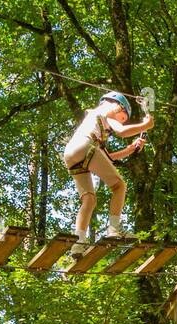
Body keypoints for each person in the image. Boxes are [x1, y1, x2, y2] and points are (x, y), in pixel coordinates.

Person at [63, 90, 154, 257]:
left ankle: (78, 243)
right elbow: (121, 131)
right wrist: (145, 126)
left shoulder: (94, 122)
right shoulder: (107, 112)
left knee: (89, 199)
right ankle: (114, 228)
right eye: (123, 117)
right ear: (117, 106)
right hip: (85, 147)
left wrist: (130, 149)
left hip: (72, 153)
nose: (121, 121)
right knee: (119, 186)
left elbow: (107, 158)